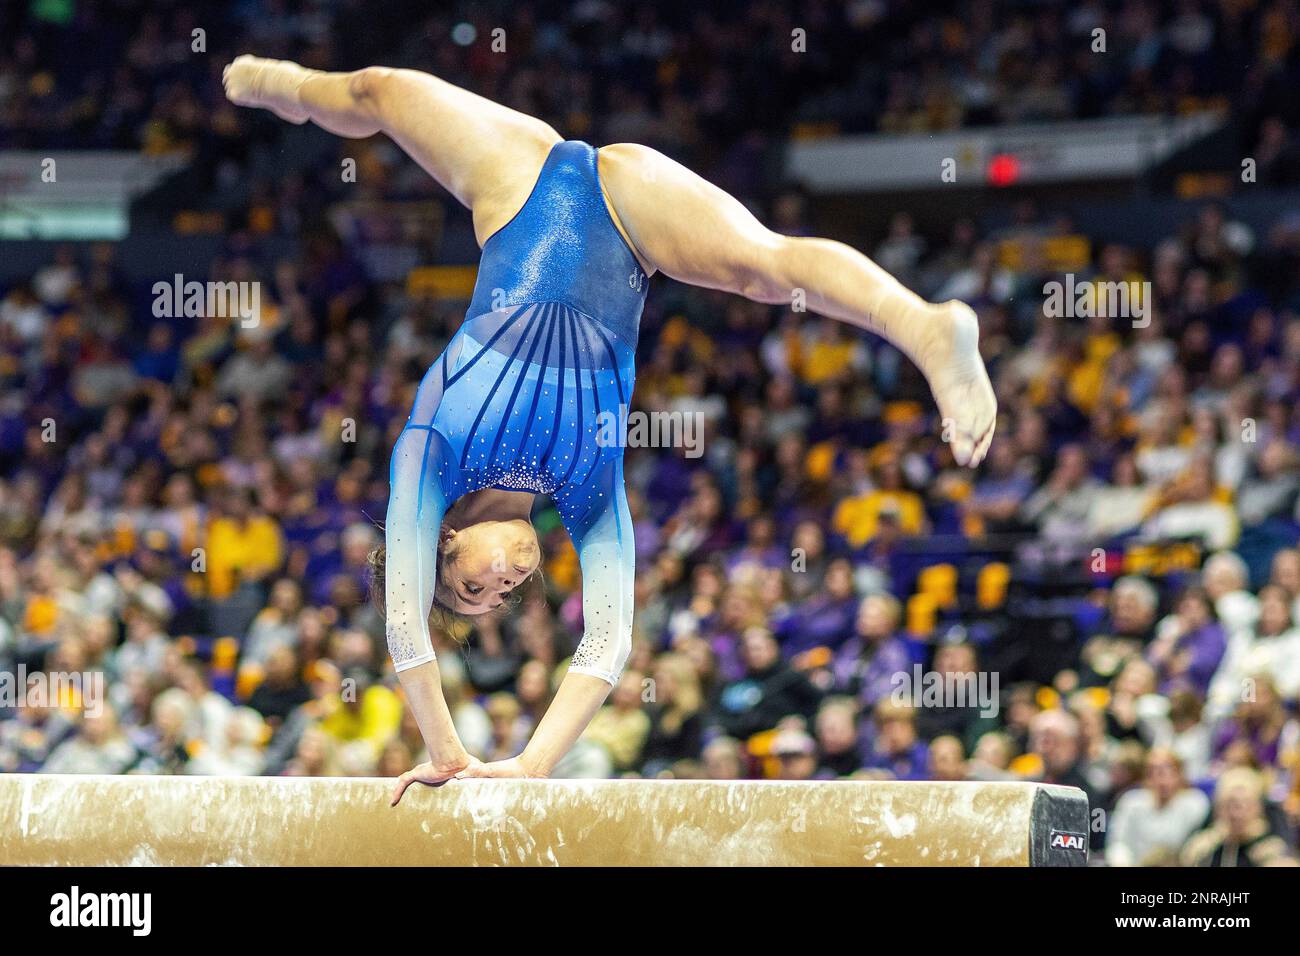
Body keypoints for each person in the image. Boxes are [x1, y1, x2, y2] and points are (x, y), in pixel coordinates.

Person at [223, 55, 997, 795]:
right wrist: (528, 767)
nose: (503, 585)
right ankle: (923, 322)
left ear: (442, 544)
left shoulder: (431, 459)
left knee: (377, 89)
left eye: (471, 585)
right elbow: (607, 643)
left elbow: (402, 625)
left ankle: (281, 85)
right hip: (630, 222)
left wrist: (447, 752)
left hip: (516, 184)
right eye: (501, 598)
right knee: (764, 267)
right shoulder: (584, 492)